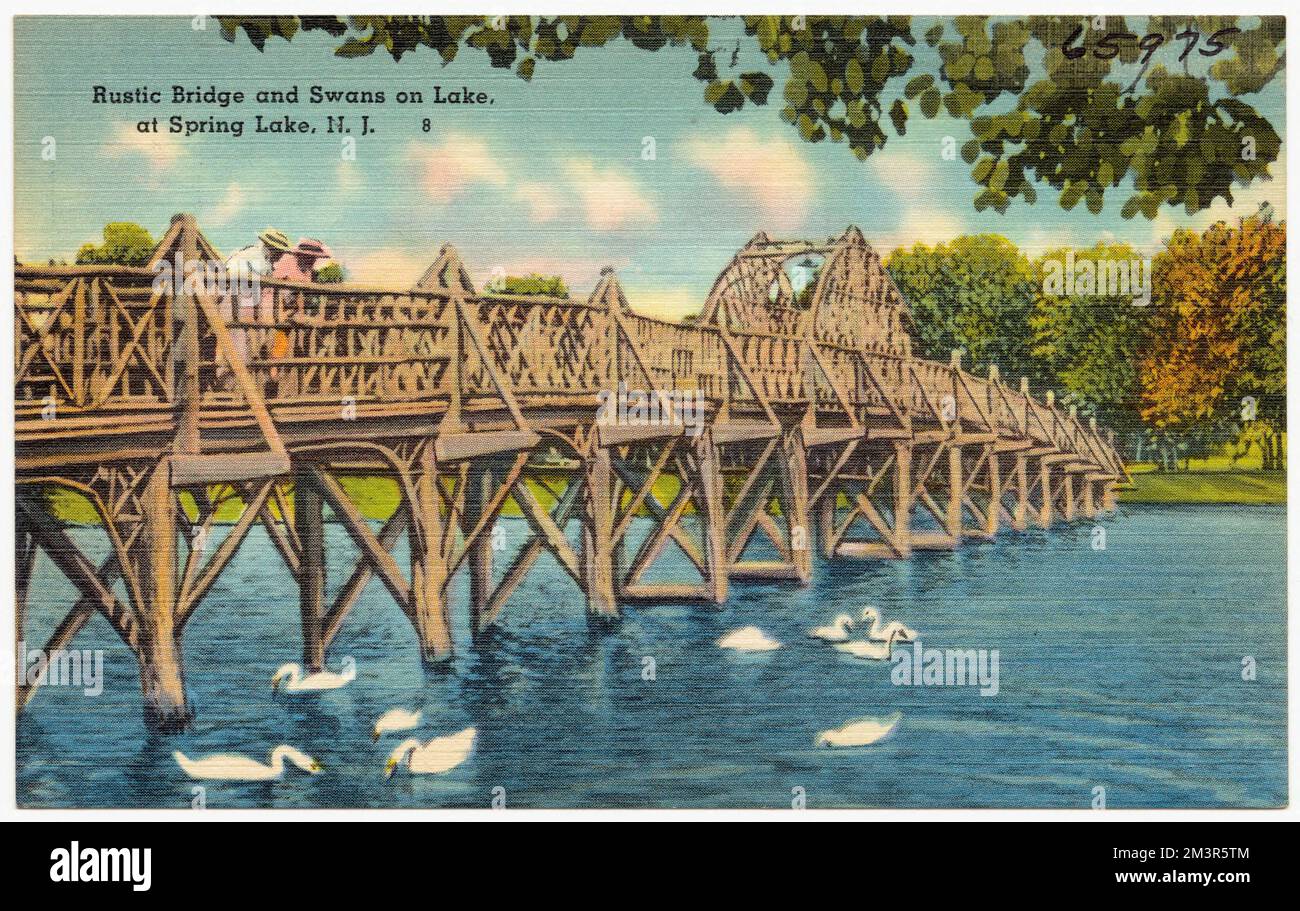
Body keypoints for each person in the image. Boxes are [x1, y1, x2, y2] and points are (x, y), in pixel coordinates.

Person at [221, 228, 292, 388]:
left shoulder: (261, 258)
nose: (281, 255)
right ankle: (231, 387)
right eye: (279, 252)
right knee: (238, 343)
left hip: (244, 298)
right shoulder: (256, 258)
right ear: (272, 248)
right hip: (235, 297)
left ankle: (238, 386)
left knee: (245, 342)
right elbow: (247, 284)